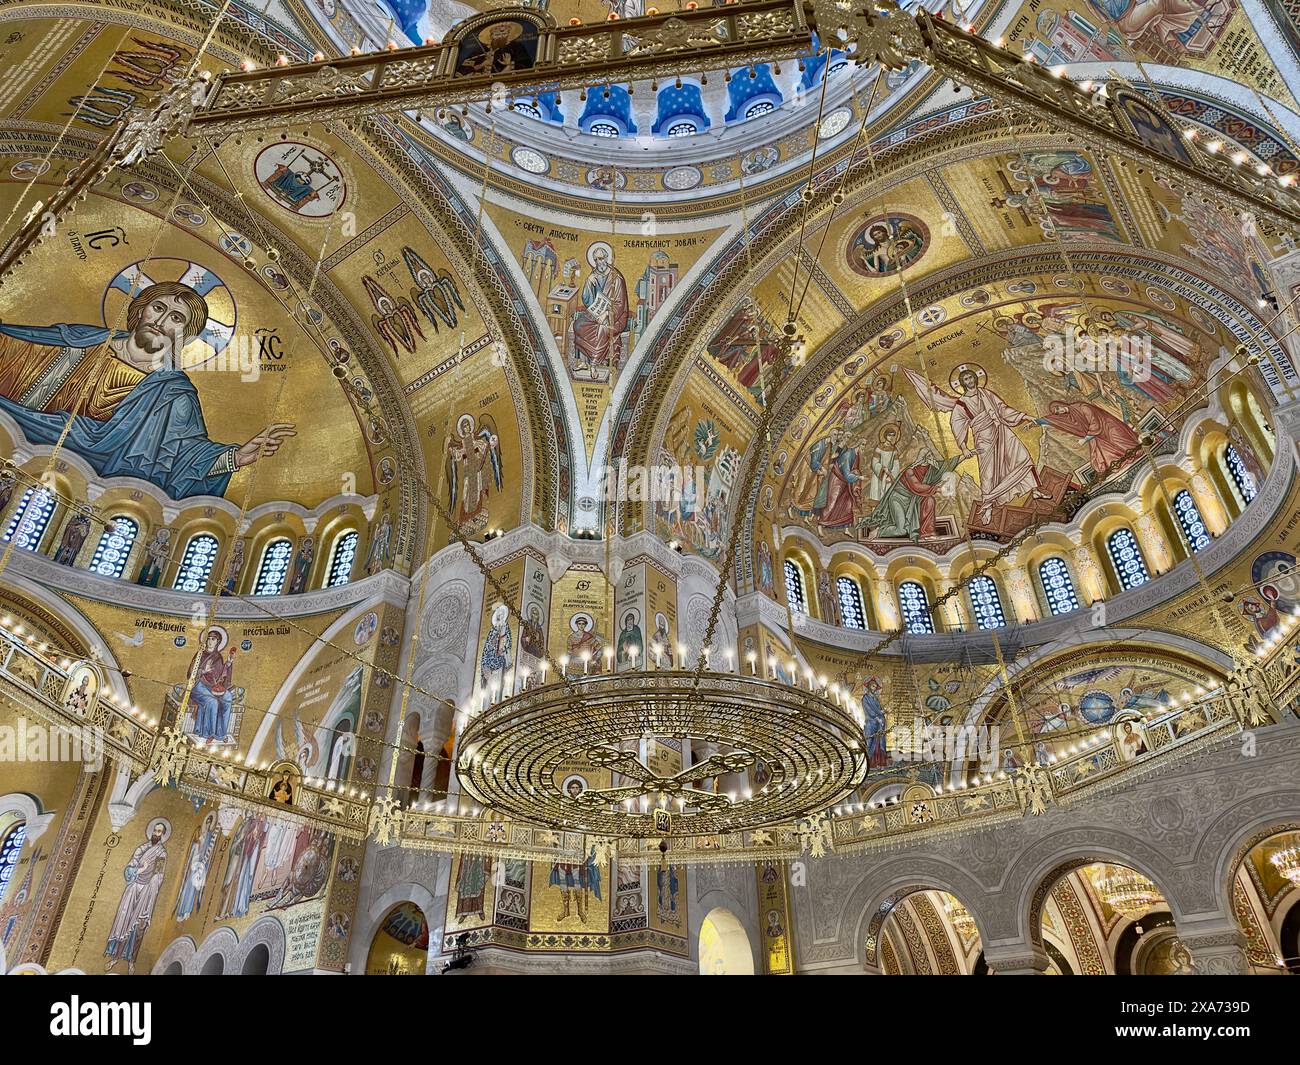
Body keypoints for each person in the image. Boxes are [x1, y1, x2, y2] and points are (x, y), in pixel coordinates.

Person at [0, 282, 294, 499]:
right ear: (140, 310)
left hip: (78, 493)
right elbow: (14, 349)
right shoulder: (79, 340)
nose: (162, 322)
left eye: (177, 319)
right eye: (158, 308)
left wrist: (236, 457)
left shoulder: (174, 394)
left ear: (185, 335)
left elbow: (185, 453)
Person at [105, 820, 168, 973]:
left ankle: (132, 960)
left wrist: (150, 886)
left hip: (147, 892)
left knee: (139, 926)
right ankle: (115, 957)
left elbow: (158, 875)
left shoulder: (161, 853)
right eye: (155, 830)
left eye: (159, 832)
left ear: (163, 835)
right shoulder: (141, 849)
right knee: (125, 923)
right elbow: (129, 869)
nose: (156, 833)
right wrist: (140, 870)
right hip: (133, 889)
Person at [186, 628, 236, 742]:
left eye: (213, 639)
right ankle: (209, 733)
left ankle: (220, 734)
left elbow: (220, 677)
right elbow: (190, 674)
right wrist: (203, 671)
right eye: (208, 639)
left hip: (212, 686)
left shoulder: (218, 657)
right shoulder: (199, 654)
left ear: (217, 642)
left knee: (228, 697)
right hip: (198, 685)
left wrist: (228, 663)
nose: (210, 641)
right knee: (211, 701)